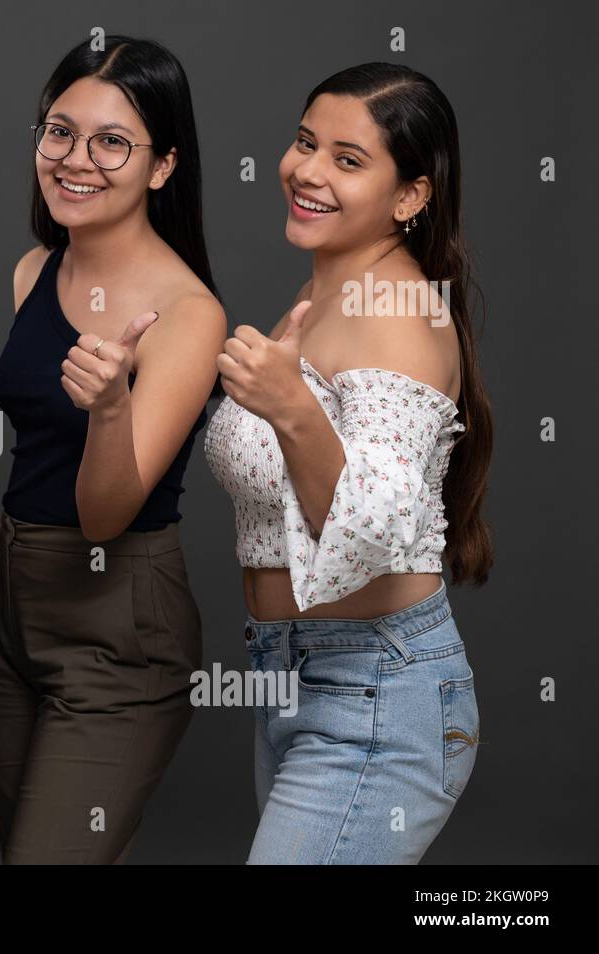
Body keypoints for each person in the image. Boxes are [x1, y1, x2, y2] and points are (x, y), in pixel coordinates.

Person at [205, 62, 491, 863]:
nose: (307, 171)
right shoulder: (328, 291)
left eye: (348, 159)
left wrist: (289, 402)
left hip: (375, 690)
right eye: (305, 144)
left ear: (410, 196)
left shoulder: (396, 312)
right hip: (291, 675)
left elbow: (367, 533)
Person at [0, 35, 226, 864]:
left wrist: (111, 409)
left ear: (162, 168)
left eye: (113, 141)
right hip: (13, 617)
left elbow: (105, 514)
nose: (76, 160)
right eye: (59, 132)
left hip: (117, 627)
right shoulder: (31, 272)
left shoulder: (188, 314)